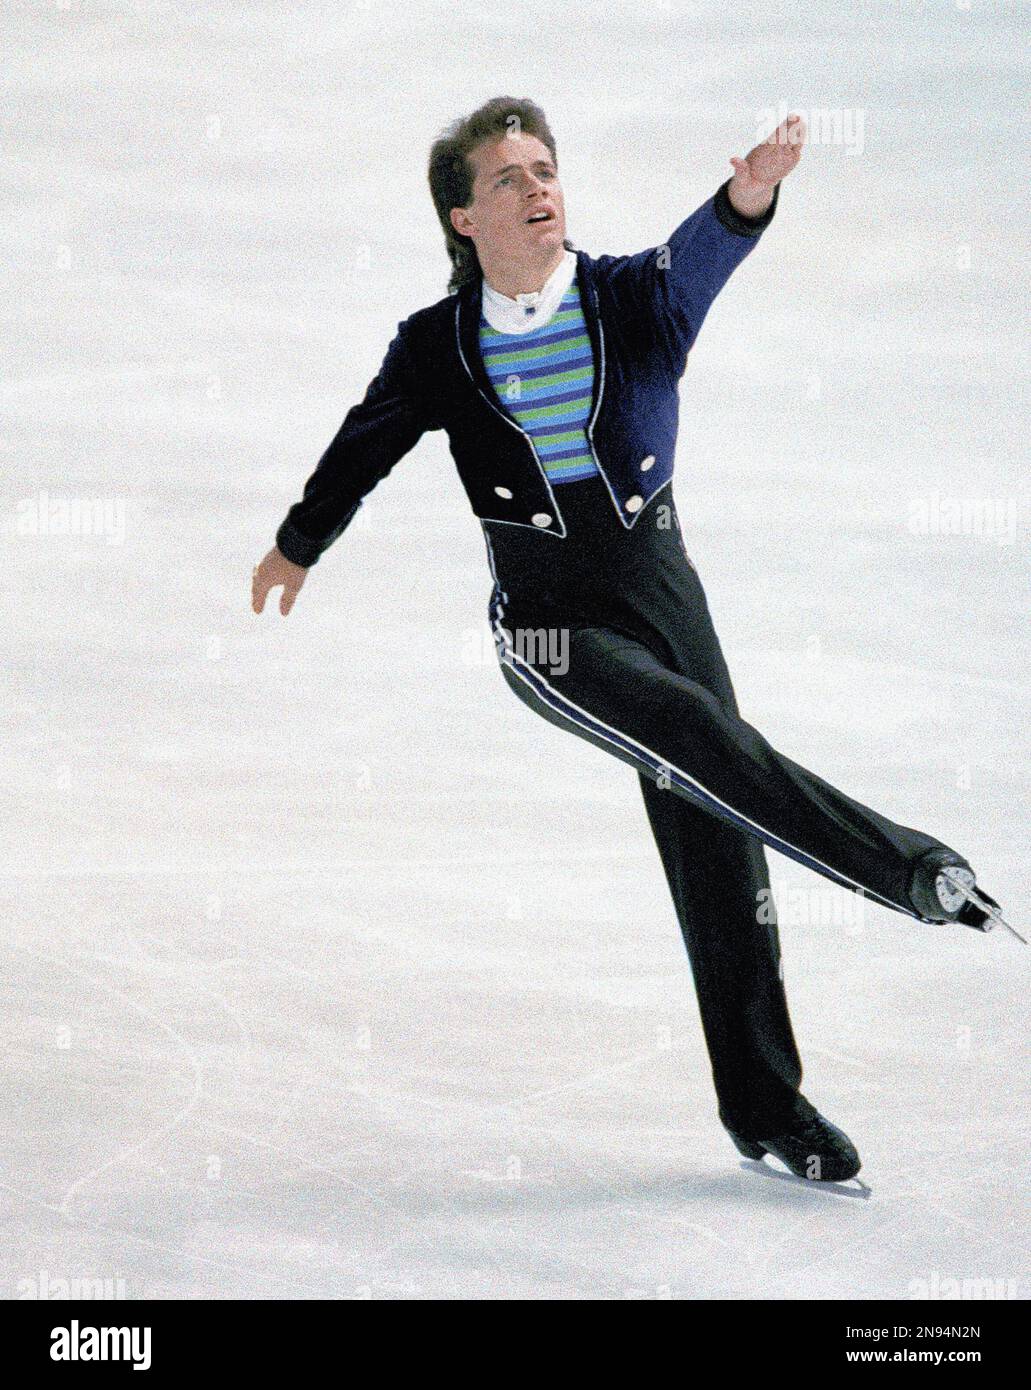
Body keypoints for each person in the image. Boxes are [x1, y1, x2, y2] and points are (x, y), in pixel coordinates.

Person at [252, 97, 1012, 1183]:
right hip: (549, 629)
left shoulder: (629, 299)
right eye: (506, 178)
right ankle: (908, 871)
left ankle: (766, 1108)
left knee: (718, 835)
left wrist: (749, 192)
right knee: (691, 731)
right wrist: (296, 544)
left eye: (544, 168)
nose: (535, 188)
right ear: (463, 219)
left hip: (663, 591)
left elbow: (705, 254)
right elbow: (360, 448)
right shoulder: (435, 347)